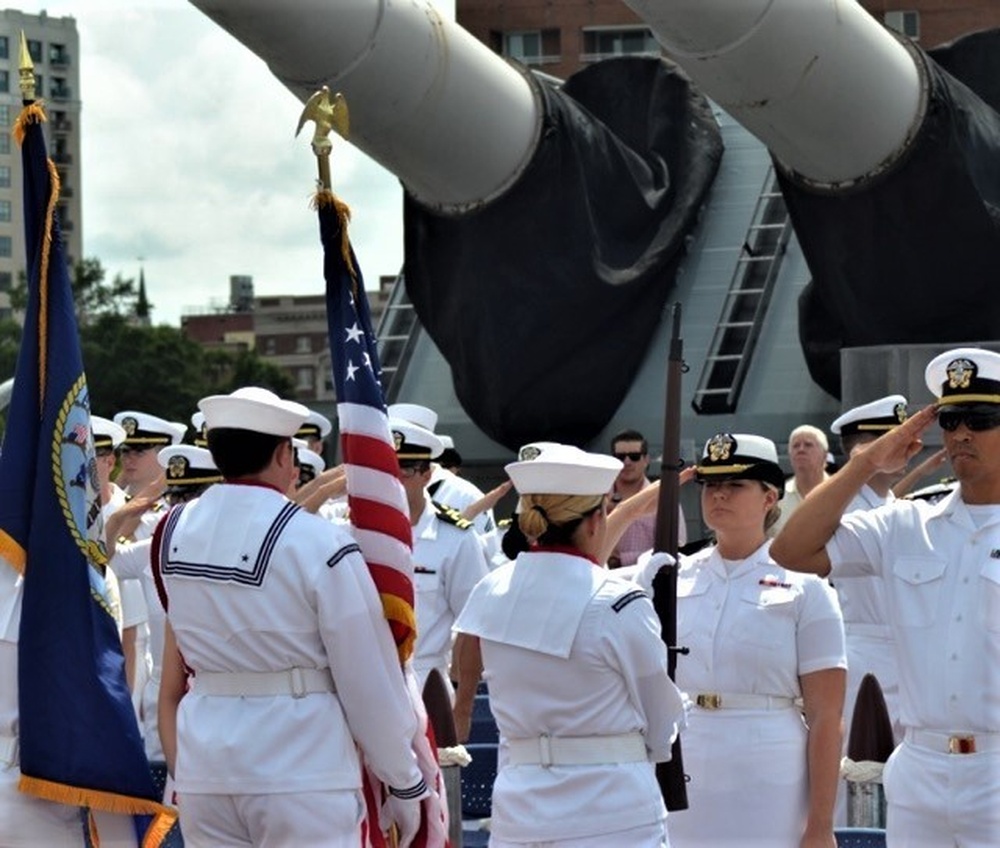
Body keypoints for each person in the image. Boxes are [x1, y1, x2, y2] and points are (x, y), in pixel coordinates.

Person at [156, 387, 430, 848]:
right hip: (300, 766)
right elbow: (367, 678)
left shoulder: (171, 530)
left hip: (206, 768)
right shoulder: (319, 543)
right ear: (284, 453)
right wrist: (403, 778)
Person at [771, 346, 1000, 848]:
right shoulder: (905, 523)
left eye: (981, 419)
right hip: (919, 770)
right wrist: (865, 463)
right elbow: (790, 548)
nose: (961, 433)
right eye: (952, 418)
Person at [454, 442, 686, 848]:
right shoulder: (618, 601)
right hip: (612, 810)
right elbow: (660, 718)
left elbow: (465, 675)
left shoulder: (489, 591)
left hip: (519, 810)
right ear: (597, 520)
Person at [639, 433, 846, 847]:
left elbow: (826, 717)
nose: (719, 495)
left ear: (770, 498)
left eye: (735, 485)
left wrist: (821, 825)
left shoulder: (805, 587)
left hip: (769, 766)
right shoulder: (671, 576)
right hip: (685, 755)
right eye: (712, 485)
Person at [607, 429, 685, 568]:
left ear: (646, 460)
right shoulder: (597, 498)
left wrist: (620, 560)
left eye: (634, 456)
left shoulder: (664, 499)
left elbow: (676, 548)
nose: (627, 462)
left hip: (649, 582)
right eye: (620, 457)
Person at [771, 424, 830, 534]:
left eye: (808, 445)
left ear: (825, 455)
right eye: (795, 446)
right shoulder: (776, 499)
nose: (801, 449)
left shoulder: (842, 493)